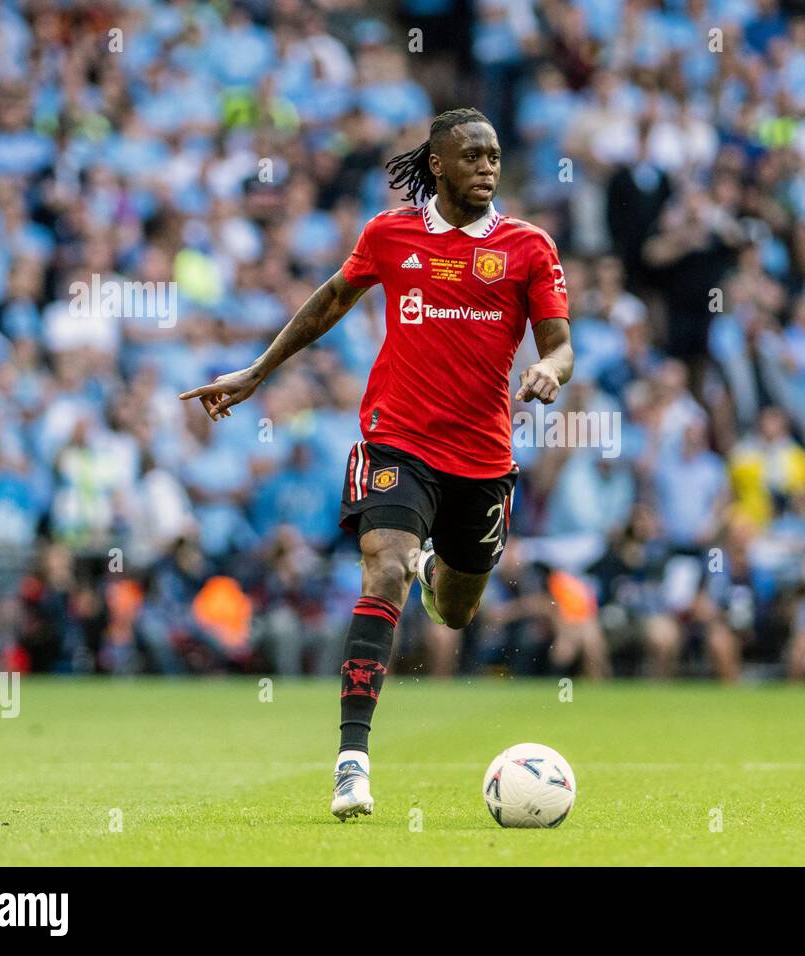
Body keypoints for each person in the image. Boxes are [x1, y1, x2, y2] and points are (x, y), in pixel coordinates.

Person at [178, 108, 573, 821]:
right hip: (397, 441)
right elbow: (332, 300)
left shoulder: (528, 247)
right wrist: (258, 372)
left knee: (455, 611)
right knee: (384, 565)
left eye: (495, 156)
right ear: (440, 164)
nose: (488, 167)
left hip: (482, 460)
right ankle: (351, 763)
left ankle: (433, 572)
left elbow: (561, 344)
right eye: (474, 156)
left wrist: (549, 366)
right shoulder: (390, 235)